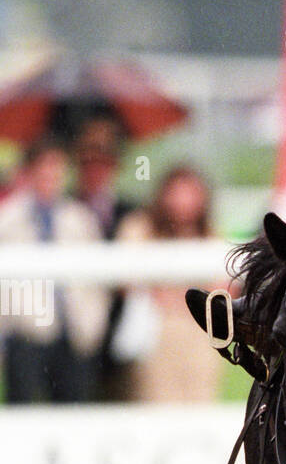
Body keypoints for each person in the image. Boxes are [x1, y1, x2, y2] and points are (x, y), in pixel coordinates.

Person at [0, 138, 107, 403]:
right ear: (30, 171)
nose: (51, 174)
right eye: (44, 166)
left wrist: (93, 325)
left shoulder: (80, 218)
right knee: (23, 409)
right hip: (26, 335)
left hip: (73, 333)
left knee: (74, 411)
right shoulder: (8, 219)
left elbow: (96, 281)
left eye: (56, 167)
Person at [117, 166, 221, 402]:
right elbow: (128, 282)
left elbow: (222, 289)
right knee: (156, 401)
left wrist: (174, 295)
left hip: (199, 339)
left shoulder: (209, 234)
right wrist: (181, 297)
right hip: (154, 335)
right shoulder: (140, 227)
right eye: (177, 193)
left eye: (190, 193)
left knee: (199, 403)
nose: (183, 201)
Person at [71, 114, 139, 401]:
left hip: (119, 326)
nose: (96, 170)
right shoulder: (63, 208)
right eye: (88, 162)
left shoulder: (131, 212)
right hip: (76, 328)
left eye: (104, 161)